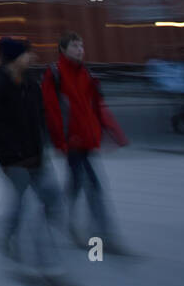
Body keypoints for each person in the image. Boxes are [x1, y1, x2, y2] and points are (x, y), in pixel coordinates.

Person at [0, 36, 70, 286]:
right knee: (31, 210)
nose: (32, 57)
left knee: (49, 199)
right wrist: (3, 155)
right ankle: (42, 267)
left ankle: (8, 232)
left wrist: (50, 141)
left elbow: (40, 118)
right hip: (13, 161)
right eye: (27, 54)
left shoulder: (31, 85)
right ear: (14, 58)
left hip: (36, 156)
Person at [41, 31, 131, 254]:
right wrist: (60, 141)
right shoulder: (54, 74)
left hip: (86, 139)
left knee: (78, 184)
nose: (80, 50)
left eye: (81, 46)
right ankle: (103, 235)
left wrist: (112, 132)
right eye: (74, 46)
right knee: (92, 185)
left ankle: (59, 217)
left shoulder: (87, 75)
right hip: (71, 141)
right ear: (63, 49)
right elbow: (51, 112)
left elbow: (98, 107)